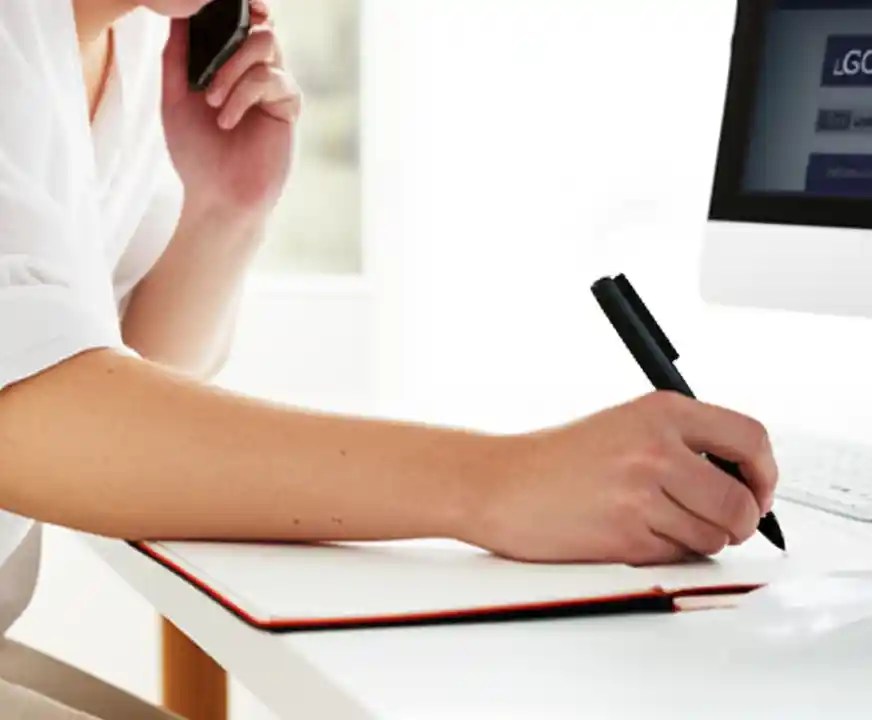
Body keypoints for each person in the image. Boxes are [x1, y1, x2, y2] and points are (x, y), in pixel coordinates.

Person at [0, 0, 779, 717]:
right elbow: (29, 420)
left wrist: (222, 207)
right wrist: (500, 484)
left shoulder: (134, 46)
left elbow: (118, 407)